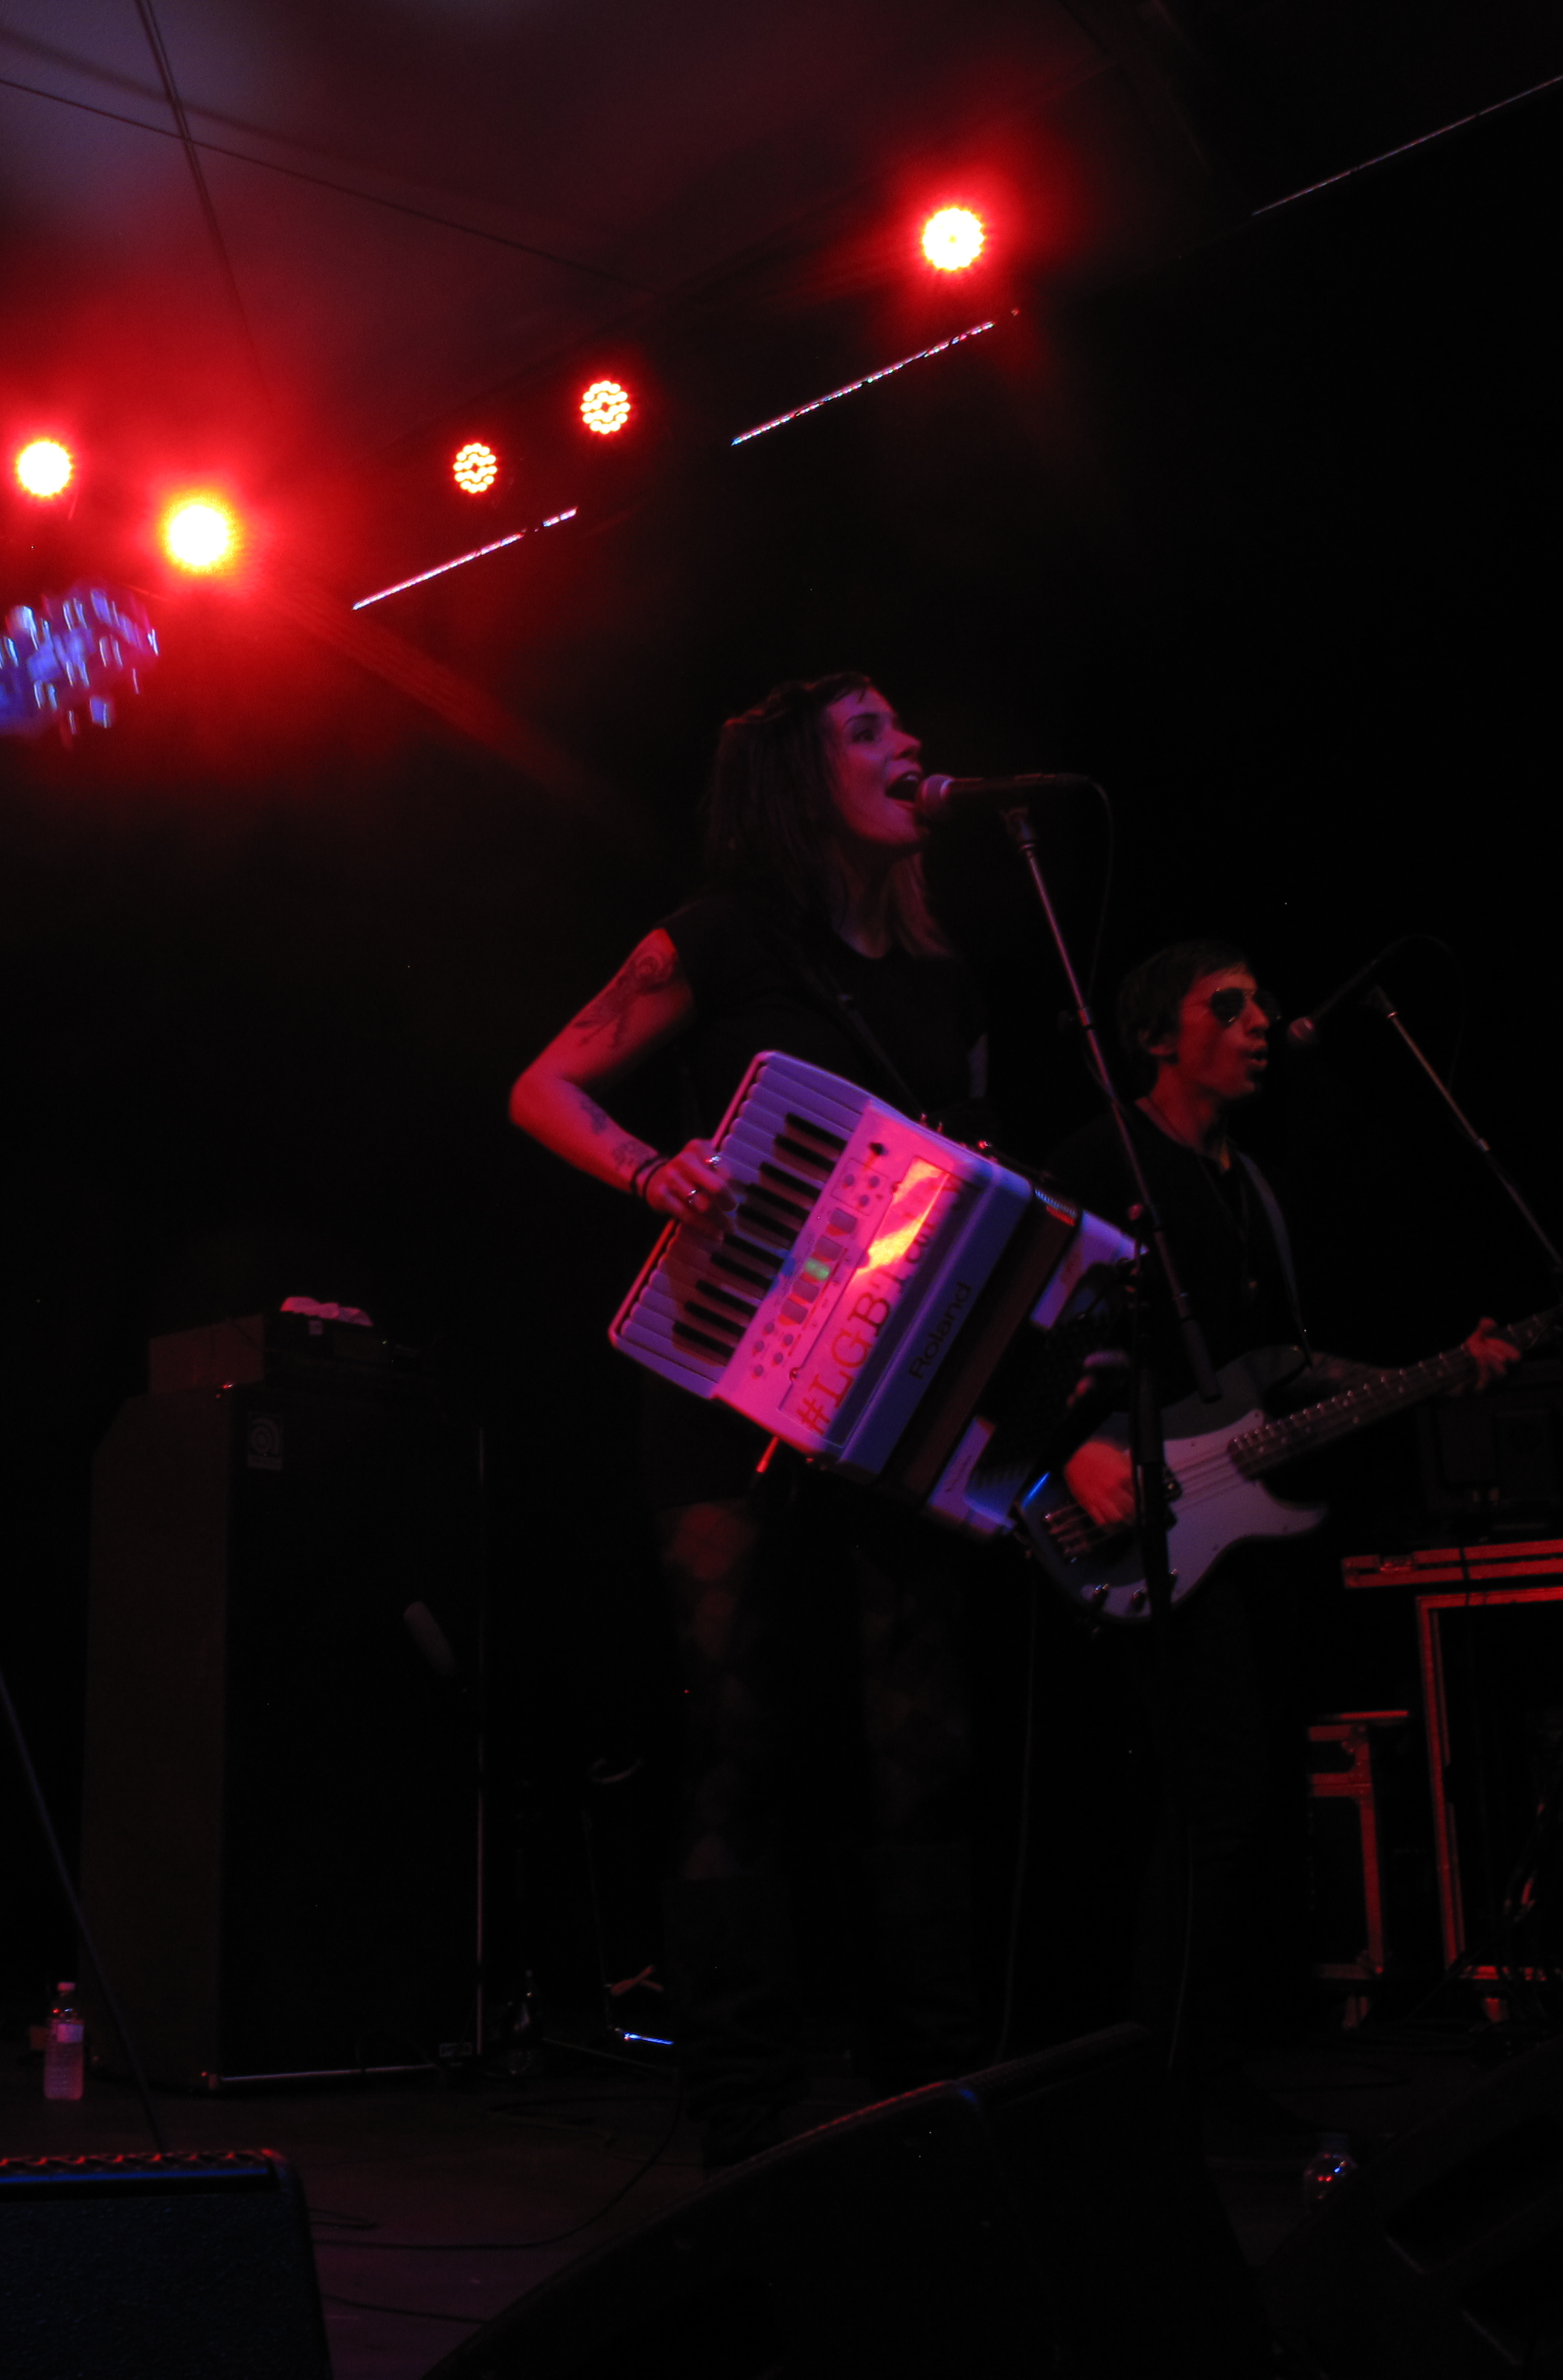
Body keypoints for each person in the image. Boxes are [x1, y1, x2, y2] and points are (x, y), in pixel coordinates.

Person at [510, 671, 992, 2161]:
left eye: (907, 725)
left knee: (921, 1739)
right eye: (869, 730)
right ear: (798, 774)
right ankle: (736, 2103)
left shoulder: (946, 981)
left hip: (885, 1395)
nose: (910, 743)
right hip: (723, 1377)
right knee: (741, 1732)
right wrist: (658, 1174)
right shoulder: (721, 934)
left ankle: (930, 2084)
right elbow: (544, 1086)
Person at [1042, 941, 1512, 2147]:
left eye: (1260, 1005)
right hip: (1125, 1514)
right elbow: (1020, 1324)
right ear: (1159, 1033)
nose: (1262, 1024)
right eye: (1229, 1006)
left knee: (1234, 1798)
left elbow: (1285, 1366)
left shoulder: (1252, 1187)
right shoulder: (1103, 1158)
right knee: (1212, 1796)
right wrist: (1066, 1454)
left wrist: (1433, 1373)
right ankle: (1166, 2080)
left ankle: (1195, 2064)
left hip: (1229, 1530)